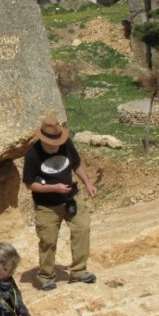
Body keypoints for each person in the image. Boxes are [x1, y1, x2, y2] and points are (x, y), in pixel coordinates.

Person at [22, 115, 98, 290]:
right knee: (48, 240)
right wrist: (53, 188)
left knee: (82, 228)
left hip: (71, 196)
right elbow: (29, 184)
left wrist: (88, 183)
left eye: (57, 143)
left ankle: (79, 271)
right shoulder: (32, 154)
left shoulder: (66, 144)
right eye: (51, 145)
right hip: (47, 205)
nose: (55, 147)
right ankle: (46, 276)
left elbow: (76, 165)